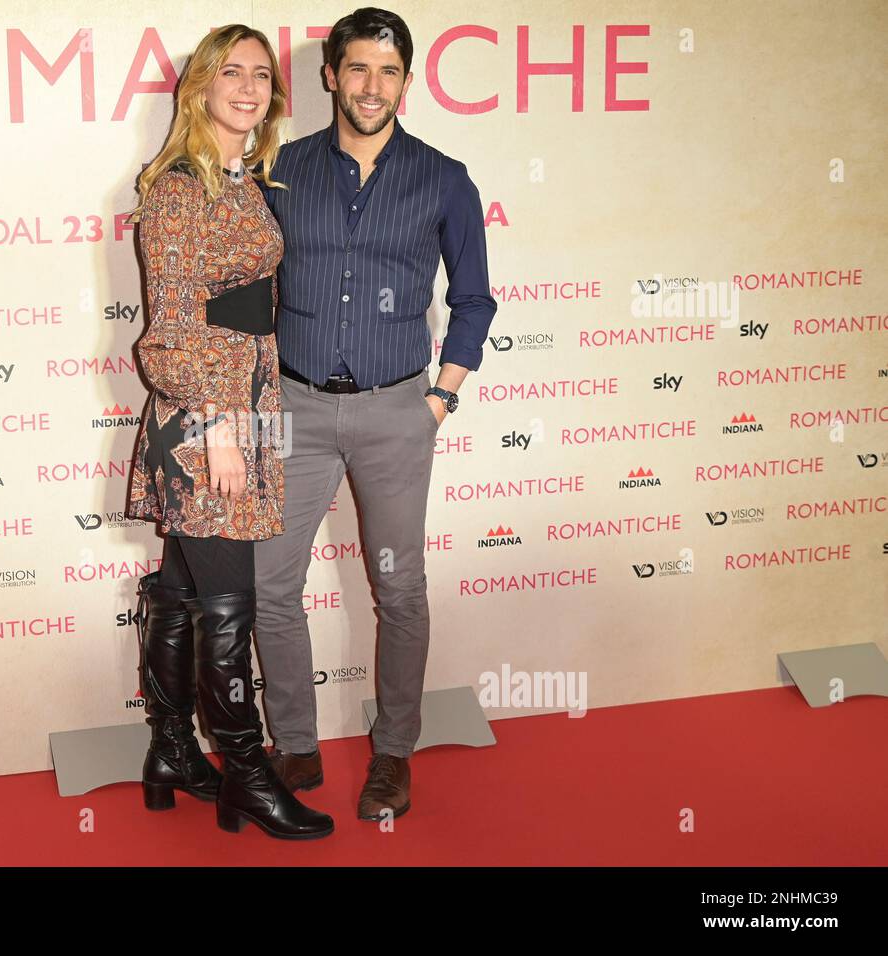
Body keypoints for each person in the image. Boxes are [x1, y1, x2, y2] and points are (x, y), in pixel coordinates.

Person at [254, 8, 498, 821]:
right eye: (357, 69)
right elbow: (248, 287)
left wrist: (440, 398)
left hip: (398, 410)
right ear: (330, 75)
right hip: (293, 405)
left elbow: (473, 301)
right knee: (270, 585)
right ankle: (293, 744)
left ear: (406, 80)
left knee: (400, 592)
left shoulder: (443, 178)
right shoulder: (280, 170)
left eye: (388, 71)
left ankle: (394, 753)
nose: (371, 86)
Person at [126, 24, 334, 840]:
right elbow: (169, 328)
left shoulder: (243, 177)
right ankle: (246, 772)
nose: (249, 87)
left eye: (261, 75)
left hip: (250, 394)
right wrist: (215, 427)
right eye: (232, 73)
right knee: (228, 600)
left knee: (182, 588)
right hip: (205, 413)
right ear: (200, 87)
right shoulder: (177, 187)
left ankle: (173, 751)